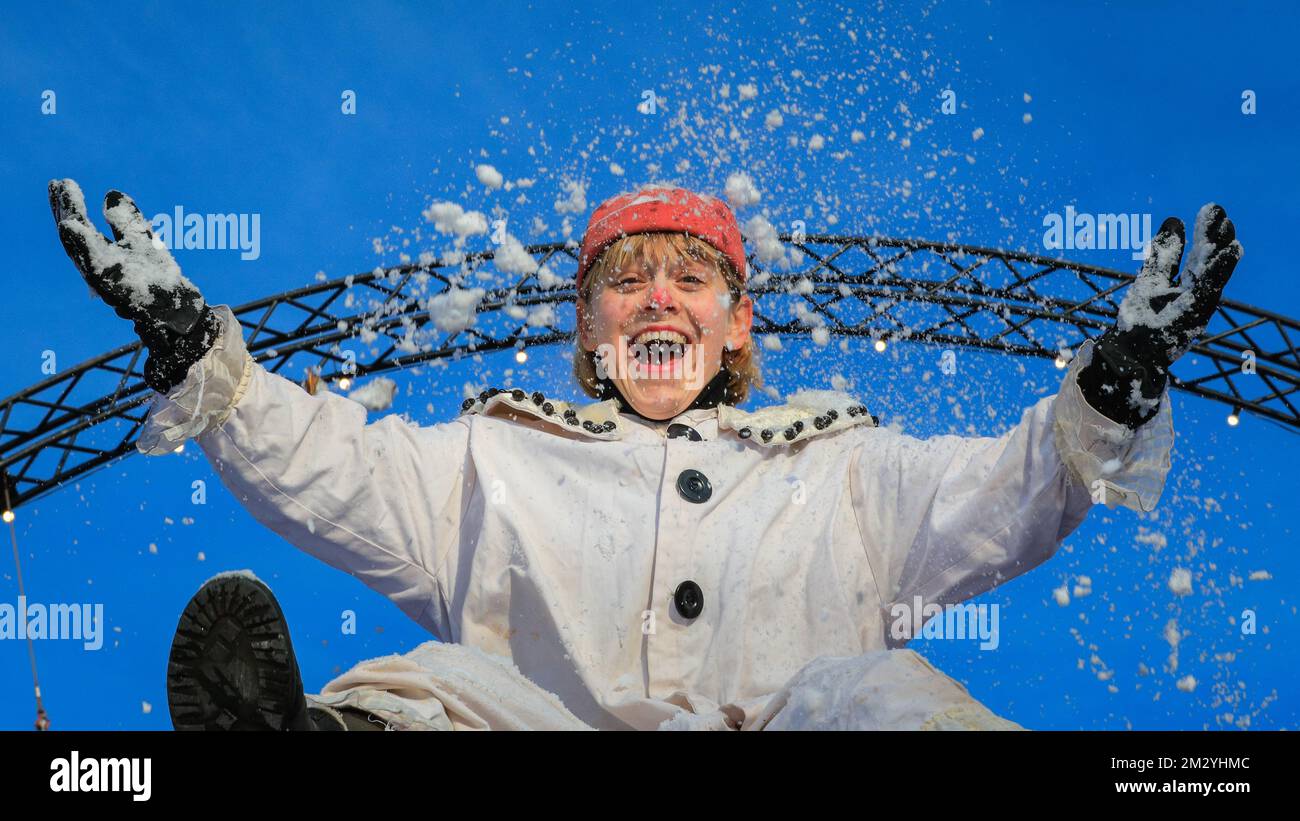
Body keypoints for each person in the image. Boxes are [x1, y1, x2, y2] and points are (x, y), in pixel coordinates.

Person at [48, 181, 1242, 730]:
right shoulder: (491, 458)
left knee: (876, 693)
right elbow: (324, 460)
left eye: (690, 276)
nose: (654, 297)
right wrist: (196, 349)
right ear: (588, 329)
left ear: (736, 324)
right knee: (446, 687)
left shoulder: (847, 467)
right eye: (623, 279)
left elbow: (1011, 493)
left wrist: (1113, 384)